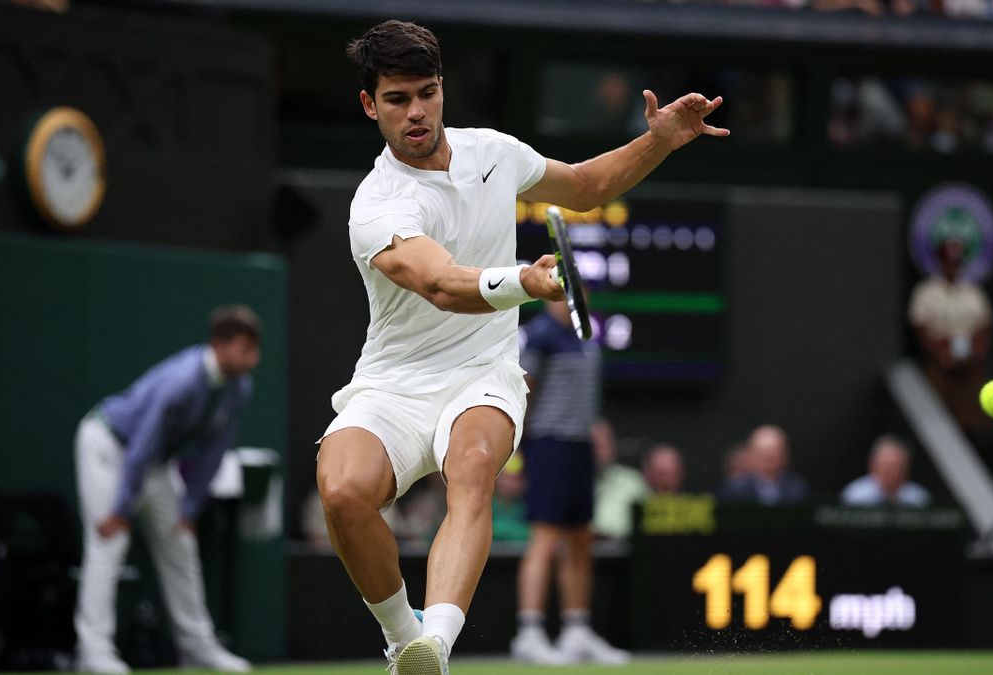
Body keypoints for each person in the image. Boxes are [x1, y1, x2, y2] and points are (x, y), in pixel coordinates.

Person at [315, 19, 729, 675]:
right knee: (339, 490)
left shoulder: (495, 153)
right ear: (370, 105)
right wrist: (526, 282)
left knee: (474, 468)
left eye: (427, 92)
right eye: (397, 99)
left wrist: (659, 141)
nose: (416, 111)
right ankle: (405, 642)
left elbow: (589, 188)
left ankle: (436, 647)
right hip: (392, 384)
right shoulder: (377, 204)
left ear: (443, 89)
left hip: (481, 374)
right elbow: (442, 284)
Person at [73, 306, 260, 674]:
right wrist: (121, 508)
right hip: (109, 444)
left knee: (181, 544)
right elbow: (142, 443)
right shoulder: (182, 381)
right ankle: (92, 652)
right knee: (109, 541)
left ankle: (197, 648)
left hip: (153, 461)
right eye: (244, 349)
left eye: (255, 349)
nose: (252, 359)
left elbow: (213, 452)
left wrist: (189, 510)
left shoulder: (239, 388)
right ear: (219, 346)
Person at [510, 299, 629, 665]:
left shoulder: (584, 334)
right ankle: (529, 633)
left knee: (580, 538)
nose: (574, 297)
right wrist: (518, 455)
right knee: (545, 538)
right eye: (563, 291)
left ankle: (576, 630)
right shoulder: (541, 336)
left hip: (580, 447)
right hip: (548, 446)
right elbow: (523, 394)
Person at [908, 238, 993, 430]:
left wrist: (973, 355)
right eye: (948, 261)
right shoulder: (925, 293)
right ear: (940, 262)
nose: (953, 266)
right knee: (938, 422)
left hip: (970, 368)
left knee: (971, 422)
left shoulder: (974, 292)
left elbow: (984, 329)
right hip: (938, 367)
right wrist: (943, 355)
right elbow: (921, 331)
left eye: (957, 262)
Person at [720, 425, 808, 505]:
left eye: (775, 451)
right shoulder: (734, 490)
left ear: (785, 454)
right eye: (764, 453)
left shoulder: (797, 488)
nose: (770, 457)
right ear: (751, 454)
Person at [841, 435, 932, 508]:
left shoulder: (919, 498)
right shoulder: (855, 496)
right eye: (888, 467)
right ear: (873, 465)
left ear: (907, 468)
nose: (893, 473)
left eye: (897, 467)